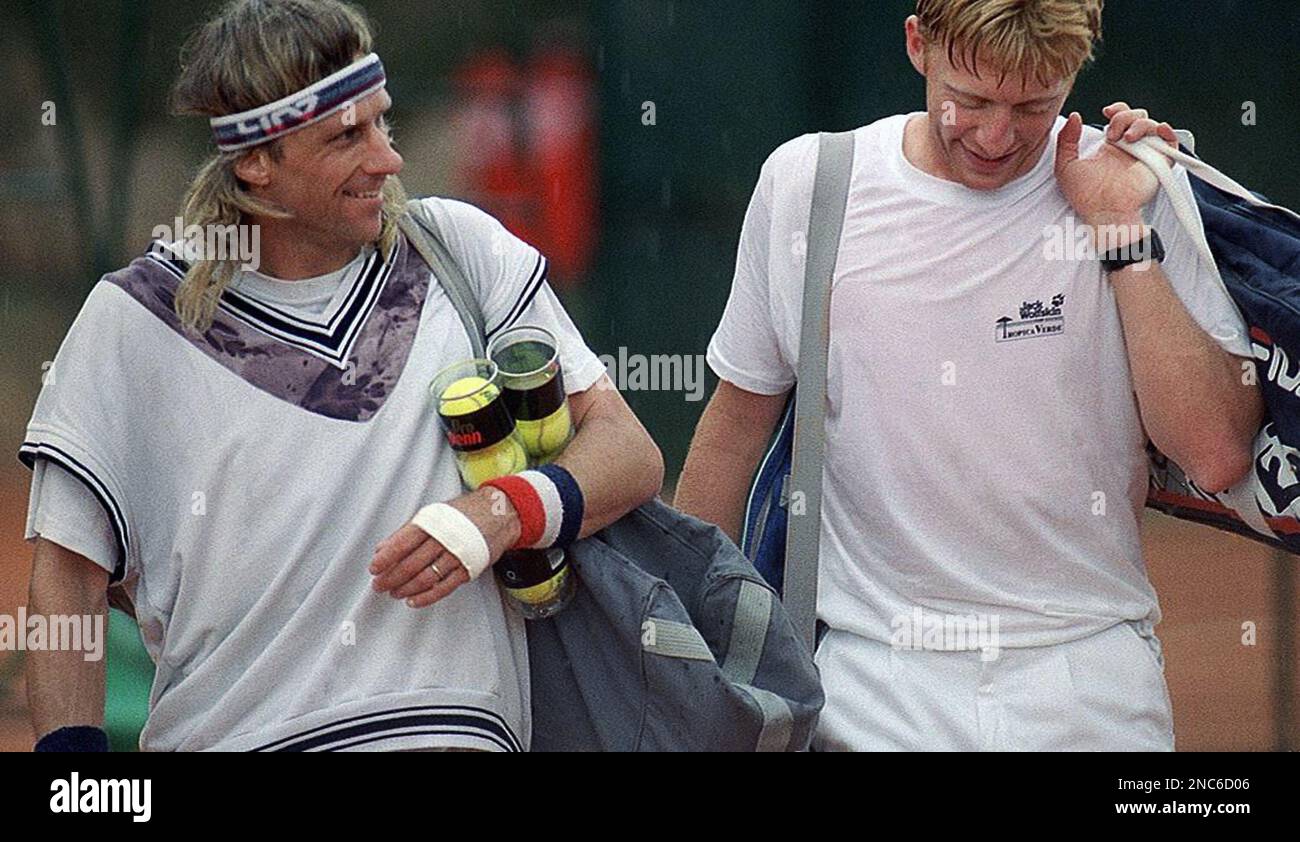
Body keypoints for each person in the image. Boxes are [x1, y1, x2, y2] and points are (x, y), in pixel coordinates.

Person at [22, 0, 662, 752]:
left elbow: (629, 451)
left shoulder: (461, 252)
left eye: (382, 122)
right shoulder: (134, 320)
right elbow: (67, 578)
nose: (387, 158)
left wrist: (497, 513)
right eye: (347, 136)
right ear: (258, 163)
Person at [674, 0, 1262, 751]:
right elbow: (733, 431)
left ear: (1074, 75)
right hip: (869, 684)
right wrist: (690, 650)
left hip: (1092, 680)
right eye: (972, 99)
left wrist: (1121, 231)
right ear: (918, 44)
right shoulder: (809, 184)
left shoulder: (1134, 187)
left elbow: (1215, 452)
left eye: (1032, 105)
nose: (994, 135)